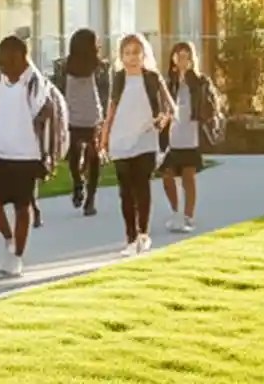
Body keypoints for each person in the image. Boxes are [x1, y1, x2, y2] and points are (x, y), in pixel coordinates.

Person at [0, 36, 60, 278]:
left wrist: (47, 155)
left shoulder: (34, 83)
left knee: (23, 207)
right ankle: (9, 239)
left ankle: (17, 256)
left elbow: (41, 118)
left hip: (26, 155)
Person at [101, 33, 176, 257]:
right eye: (127, 53)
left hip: (145, 139)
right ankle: (130, 238)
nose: (132, 57)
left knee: (141, 187)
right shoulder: (119, 78)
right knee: (125, 192)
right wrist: (104, 139)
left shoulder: (152, 78)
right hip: (121, 139)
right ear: (121, 56)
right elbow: (111, 110)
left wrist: (162, 119)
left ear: (144, 54)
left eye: (136, 52)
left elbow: (169, 107)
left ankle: (143, 233)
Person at [51, 28, 111, 217]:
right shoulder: (64, 66)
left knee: (91, 156)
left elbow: (106, 95)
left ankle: (89, 197)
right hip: (73, 116)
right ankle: (79, 184)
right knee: (76, 154)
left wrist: (105, 119)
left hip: (92, 117)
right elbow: (56, 90)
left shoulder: (100, 67)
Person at [162, 41, 212, 233]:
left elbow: (204, 104)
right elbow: (164, 107)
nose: (182, 60)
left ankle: (188, 216)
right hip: (174, 137)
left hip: (191, 136)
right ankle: (176, 212)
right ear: (173, 59)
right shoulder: (170, 83)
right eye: (178, 56)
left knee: (188, 178)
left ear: (192, 59)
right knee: (167, 176)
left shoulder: (198, 82)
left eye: (186, 56)